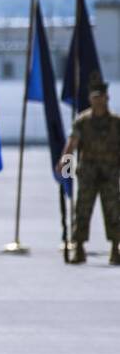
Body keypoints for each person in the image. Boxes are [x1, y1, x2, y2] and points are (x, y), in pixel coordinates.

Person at [59, 73, 120, 265]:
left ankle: (115, 248)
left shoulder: (116, 123)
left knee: (114, 211)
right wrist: (66, 167)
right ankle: (79, 248)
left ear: (107, 98)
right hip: (88, 173)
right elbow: (72, 144)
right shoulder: (82, 121)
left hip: (110, 173)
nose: (98, 101)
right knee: (83, 210)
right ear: (90, 99)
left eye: (100, 97)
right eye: (94, 98)